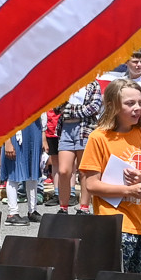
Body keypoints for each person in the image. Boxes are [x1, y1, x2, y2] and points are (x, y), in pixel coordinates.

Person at [80, 80, 141, 274]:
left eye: (140, 103)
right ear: (112, 106)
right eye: (130, 103)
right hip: (116, 222)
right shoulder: (99, 137)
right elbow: (91, 184)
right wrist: (128, 190)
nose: (137, 108)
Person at [53, 80, 104, 213]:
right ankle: (63, 208)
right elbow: (56, 107)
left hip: (85, 128)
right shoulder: (65, 83)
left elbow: (93, 108)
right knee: (64, 171)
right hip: (66, 129)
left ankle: (84, 207)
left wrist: (69, 110)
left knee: (84, 171)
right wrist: (76, 109)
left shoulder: (93, 84)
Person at [0, 114, 46, 222]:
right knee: (13, 170)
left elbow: (43, 111)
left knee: (33, 170)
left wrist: (43, 136)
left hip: (34, 127)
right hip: (15, 130)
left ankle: (32, 210)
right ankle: (13, 213)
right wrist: (7, 141)